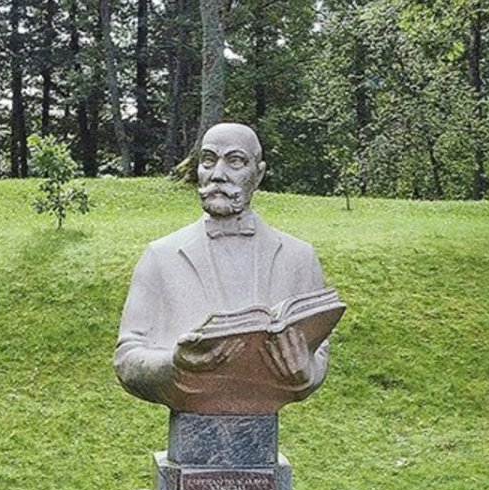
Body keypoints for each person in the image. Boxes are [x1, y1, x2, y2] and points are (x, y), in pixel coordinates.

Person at [114, 122, 333, 412]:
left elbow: (319, 352)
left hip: (262, 419)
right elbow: (127, 357)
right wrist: (174, 364)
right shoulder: (160, 256)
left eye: (235, 161)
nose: (218, 174)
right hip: (190, 418)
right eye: (208, 160)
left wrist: (305, 374)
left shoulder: (299, 257)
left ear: (258, 174)